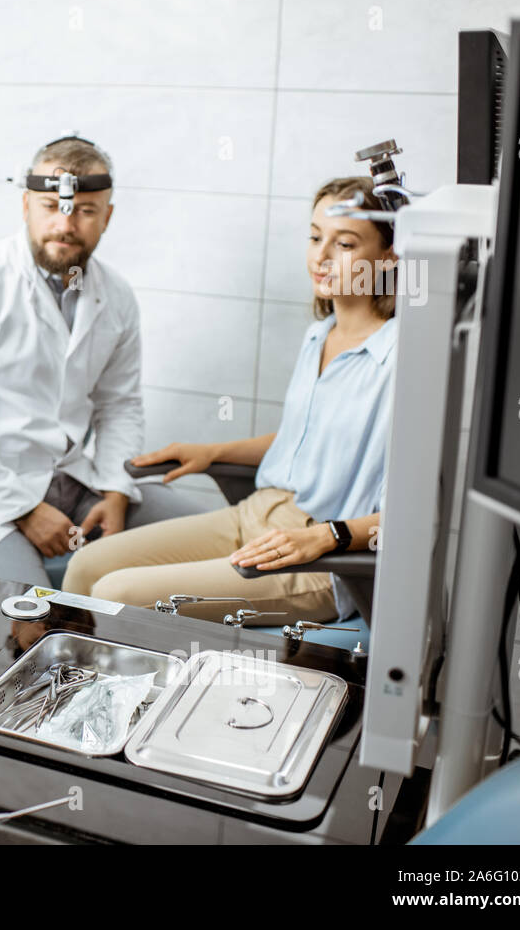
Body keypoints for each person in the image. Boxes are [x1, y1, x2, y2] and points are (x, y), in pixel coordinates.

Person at [62, 176, 398, 624]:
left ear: (390, 256)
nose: (321, 256)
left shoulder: (400, 360)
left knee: (115, 593)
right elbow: (307, 441)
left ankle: (138, 692)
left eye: (345, 243)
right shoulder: (321, 334)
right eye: (316, 237)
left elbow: (416, 514)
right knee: (86, 565)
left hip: (316, 554)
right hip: (258, 513)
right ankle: (80, 690)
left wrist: (329, 537)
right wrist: (213, 452)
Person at [0, 136, 209, 588]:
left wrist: (115, 490)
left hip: (73, 479)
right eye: (51, 206)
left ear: (108, 215)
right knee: (31, 616)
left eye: (86, 210)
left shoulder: (117, 295)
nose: (65, 223)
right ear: (26, 205)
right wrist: (22, 509)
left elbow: (118, 404)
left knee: (213, 544)